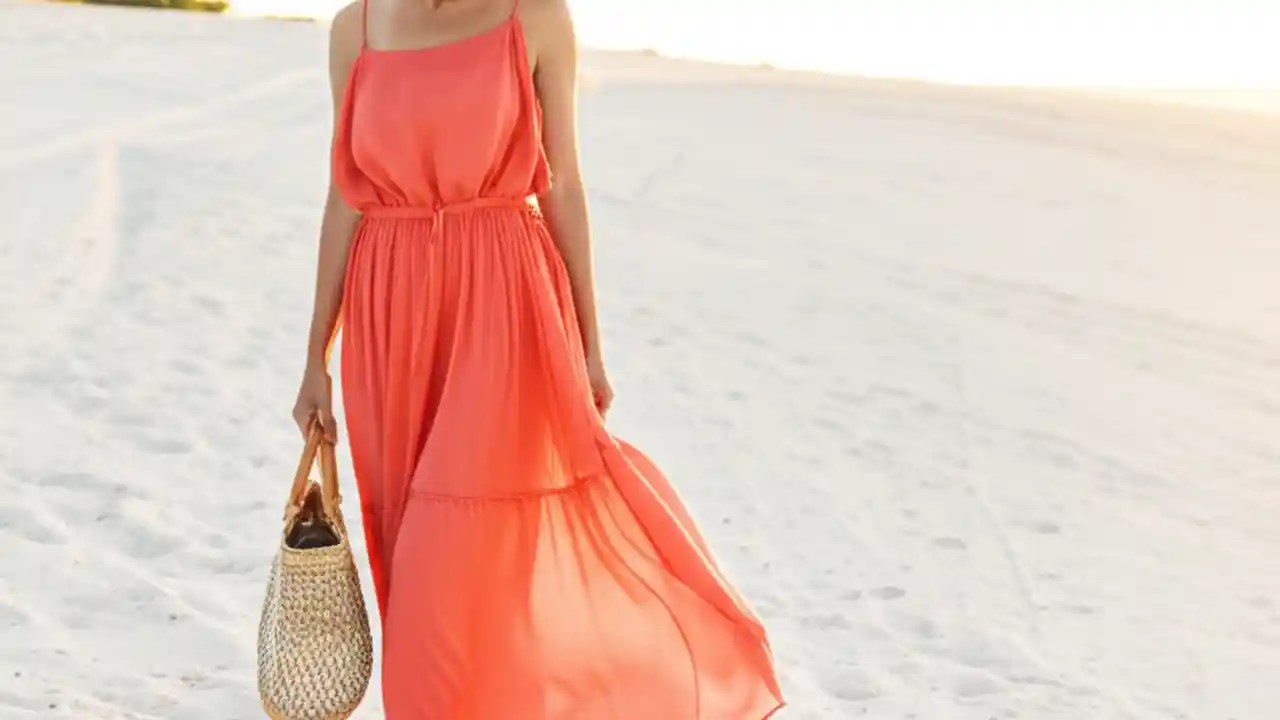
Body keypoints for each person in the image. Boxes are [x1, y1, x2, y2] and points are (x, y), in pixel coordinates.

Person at [291, 0, 784, 716]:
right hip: (387, 311)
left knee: (454, 547)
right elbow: (344, 198)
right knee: (405, 553)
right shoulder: (355, 29)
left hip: (504, 305)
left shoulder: (537, 18)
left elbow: (563, 185)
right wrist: (316, 356)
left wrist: (589, 345)